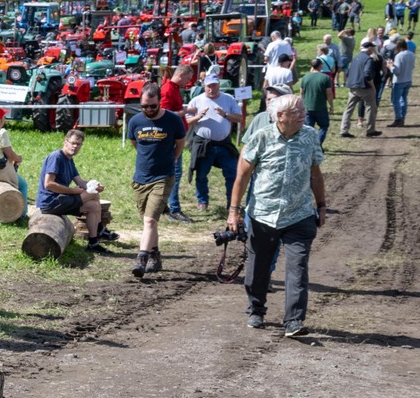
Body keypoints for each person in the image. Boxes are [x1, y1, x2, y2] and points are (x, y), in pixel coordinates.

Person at [228, 86, 325, 336]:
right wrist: (234, 211)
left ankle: (294, 320)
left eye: (303, 110)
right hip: (263, 214)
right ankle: (256, 309)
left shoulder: (310, 136)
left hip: (299, 214)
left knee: (298, 268)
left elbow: (315, 173)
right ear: (280, 115)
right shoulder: (261, 137)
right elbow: (242, 176)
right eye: (297, 111)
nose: (303, 114)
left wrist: (321, 205)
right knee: (258, 268)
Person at [124, 75, 186, 278]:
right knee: (148, 222)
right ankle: (155, 256)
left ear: (160, 101)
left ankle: (141, 260)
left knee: (150, 221)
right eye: (144, 106)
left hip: (163, 177)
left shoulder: (172, 120)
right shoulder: (135, 121)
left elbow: (180, 142)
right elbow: (135, 144)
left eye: (152, 106)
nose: (148, 110)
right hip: (141, 179)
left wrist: (174, 159)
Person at [35, 127, 109, 247]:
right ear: (65, 142)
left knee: (94, 206)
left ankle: (93, 242)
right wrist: (72, 191)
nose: (75, 146)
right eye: (73, 143)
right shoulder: (56, 157)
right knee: (93, 195)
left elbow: (81, 182)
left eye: (78, 144)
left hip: (61, 200)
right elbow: (48, 184)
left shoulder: (69, 160)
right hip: (50, 202)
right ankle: (101, 229)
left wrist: (96, 186)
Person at [184, 78, 239, 212]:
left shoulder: (228, 99)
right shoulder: (196, 100)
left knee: (232, 173)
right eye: (209, 86)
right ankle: (202, 200)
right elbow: (186, 121)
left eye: (214, 86)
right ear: (204, 86)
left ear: (219, 85)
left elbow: (239, 118)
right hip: (204, 143)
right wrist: (198, 117)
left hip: (224, 144)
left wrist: (225, 114)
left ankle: (231, 203)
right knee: (201, 174)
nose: (211, 89)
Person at [341, 39, 382, 137]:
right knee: (370, 108)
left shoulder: (355, 57)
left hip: (353, 87)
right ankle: (370, 130)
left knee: (349, 109)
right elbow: (367, 74)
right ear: (369, 48)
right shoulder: (368, 59)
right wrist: (372, 86)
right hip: (365, 87)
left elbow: (348, 71)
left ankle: (343, 130)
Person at [297, 54, 335, 143]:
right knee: (324, 126)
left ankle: (309, 145)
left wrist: (301, 106)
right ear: (321, 66)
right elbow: (329, 94)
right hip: (320, 107)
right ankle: (317, 144)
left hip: (307, 107)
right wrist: (331, 105)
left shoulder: (305, 78)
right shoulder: (326, 78)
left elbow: (301, 93)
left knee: (308, 128)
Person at [388, 37, 416, 128]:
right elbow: (412, 66)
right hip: (408, 79)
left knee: (396, 101)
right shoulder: (412, 54)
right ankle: (402, 118)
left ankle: (398, 119)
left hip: (399, 81)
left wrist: (390, 66)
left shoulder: (399, 56)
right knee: (404, 99)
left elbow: (397, 71)